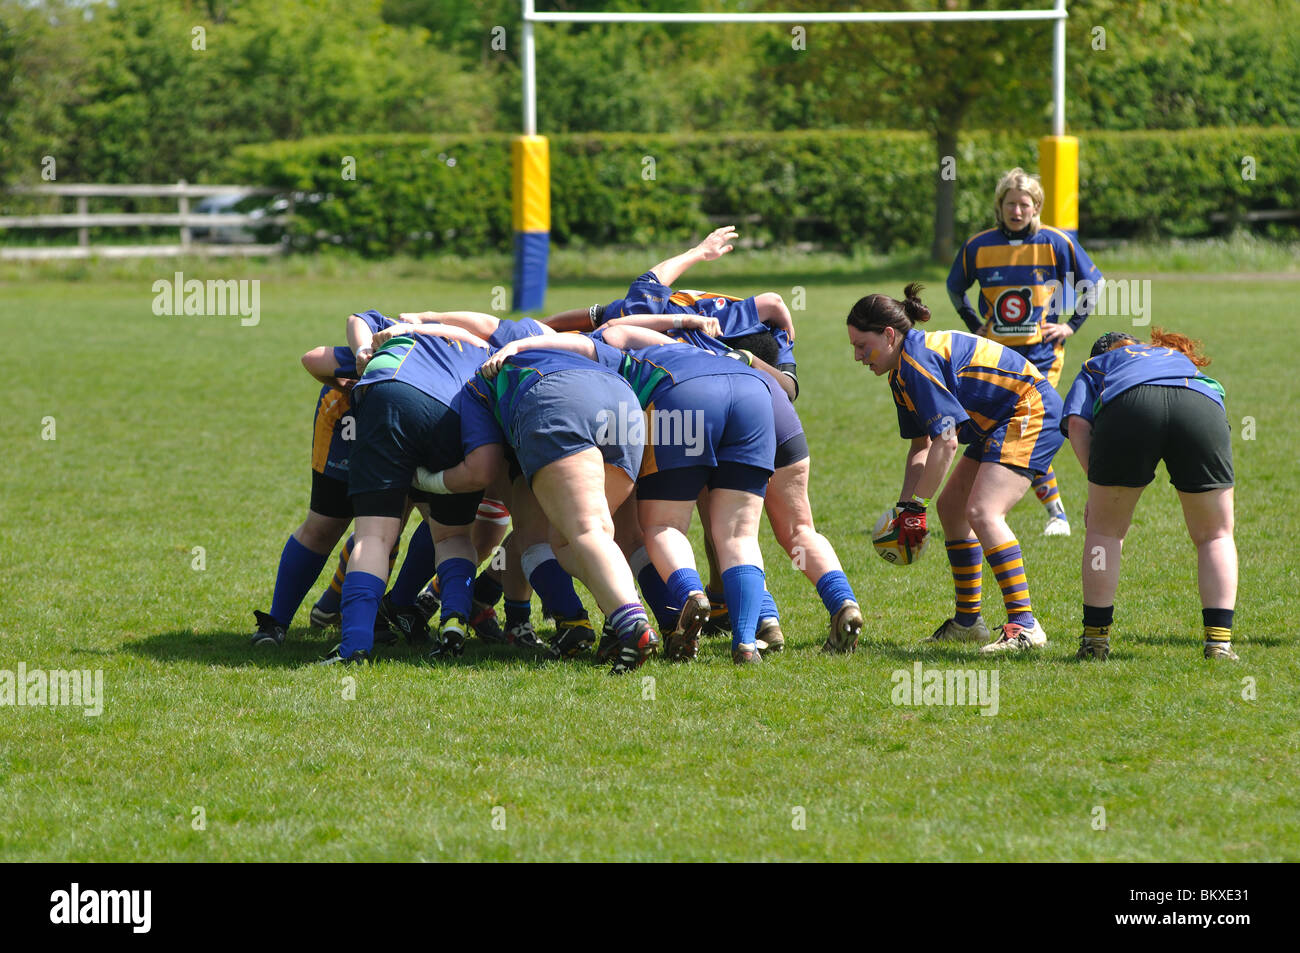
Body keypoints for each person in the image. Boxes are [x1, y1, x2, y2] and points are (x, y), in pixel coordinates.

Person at [413, 339, 660, 674]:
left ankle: (634, 627)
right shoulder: (562, 348)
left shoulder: (479, 381)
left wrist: (426, 481)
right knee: (570, 540)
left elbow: (482, 468)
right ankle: (619, 625)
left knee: (587, 531)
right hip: (624, 401)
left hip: (556, 401)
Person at [847, 283, 1064, 653]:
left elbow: (946, 440)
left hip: (1029, 408)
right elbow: (921, 445)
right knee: (951, 508)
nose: (857, 356)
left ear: (887, 335)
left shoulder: (916, 363)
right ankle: (968, 623)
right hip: (996, 420)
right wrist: (906, 509)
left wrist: (917, 505)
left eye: (861, 345)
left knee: (983, 511)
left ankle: (1025, 625)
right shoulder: (900, 373)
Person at [1062, 330, 1239, 660]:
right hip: (1201, 405)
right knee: (1216, 534)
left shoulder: (1095, 364)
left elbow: (1076, 423)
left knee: (1104, 532)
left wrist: (1100, 486)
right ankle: (1219, 643)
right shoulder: (1175, 356)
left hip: (1131, 405)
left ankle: (1095, 642)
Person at [946, 167, 1104, 538]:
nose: (1017, 211)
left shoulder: (1057, 242)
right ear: (999, 207)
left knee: (1027, 425)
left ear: (1037, 207)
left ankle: (1055, 514)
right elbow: (956, 289)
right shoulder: (978, 245)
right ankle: (1051, 511)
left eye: (1025, 204)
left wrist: (1070, 325)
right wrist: (974, 324)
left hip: (1044, 355)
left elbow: (1093, 283)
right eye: (1010, 204)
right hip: (995, 359)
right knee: (1011, 429)